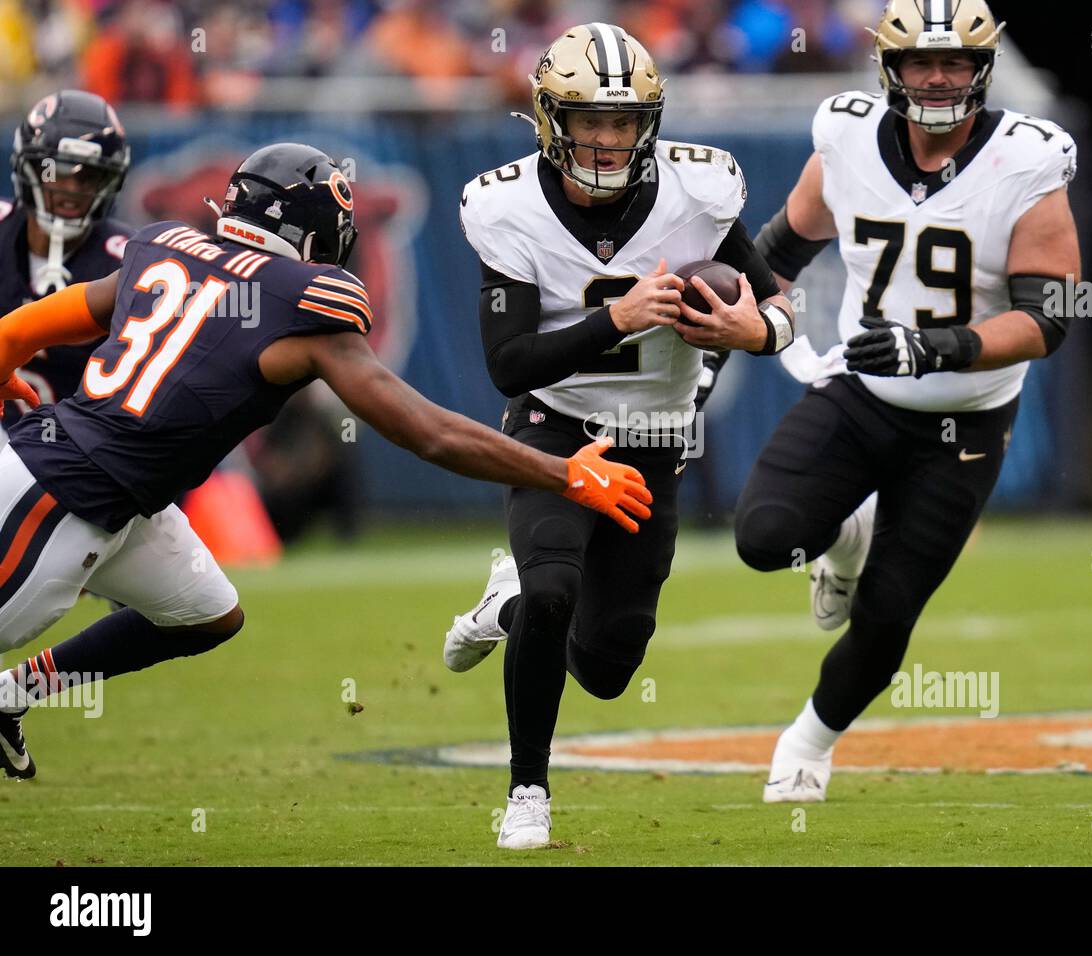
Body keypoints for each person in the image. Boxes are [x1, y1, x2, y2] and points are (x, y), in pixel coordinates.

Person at [0, 142, 652, 781]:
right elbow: (429, 433)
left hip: (96, 483)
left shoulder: (161, 247)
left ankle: (12, 695)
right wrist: (567, 472)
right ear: (318, 235)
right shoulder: (300, 303)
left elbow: (18, 330)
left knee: (204, 611)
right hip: (65, 498)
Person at [452, 22, 794, 848]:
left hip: (654, 434)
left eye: (622, 121)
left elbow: (777, 301)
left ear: (649, 123)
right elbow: (509, 364)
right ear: (548, 119)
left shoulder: (700, 194)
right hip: (553, 426)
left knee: (608, 666)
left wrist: (759, 334)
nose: (605, 141)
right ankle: (527, 790)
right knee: (555, 590)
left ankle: (508, 605)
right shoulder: (507, 205)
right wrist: (616, 318)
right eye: (587, 120)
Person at [735, 0, 1081, 801]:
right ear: (888, 69)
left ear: (982, 70)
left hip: (965, 417)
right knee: (765, 536)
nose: (936, 78)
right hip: (862, 389)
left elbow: (1049, 318)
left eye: (955, 62)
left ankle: (810, 739)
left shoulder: (1027, 161)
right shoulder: (848, 138)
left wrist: (939, 346)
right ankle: (843, 543)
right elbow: (781, 249)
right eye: (921, 63)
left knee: (888, 618)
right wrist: (744, 311)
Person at [1, 90, 132, 436]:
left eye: (89, 177)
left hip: (88, 453)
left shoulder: (131, 258)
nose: (72, 188)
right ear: (27, 167)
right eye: (56, 172)